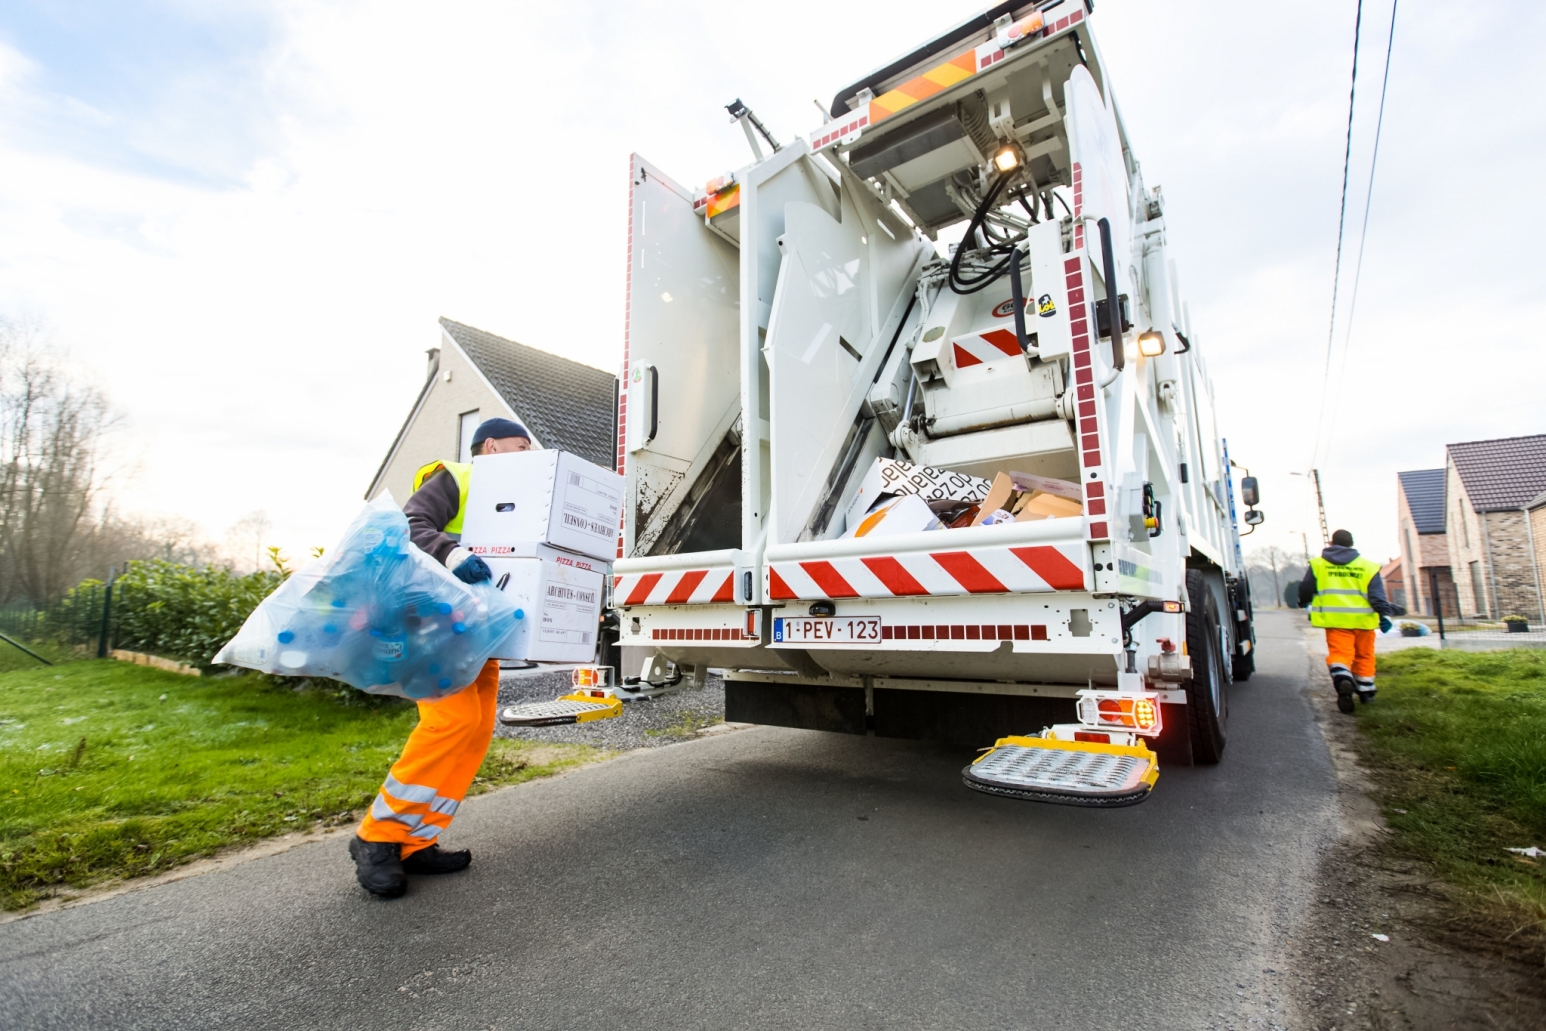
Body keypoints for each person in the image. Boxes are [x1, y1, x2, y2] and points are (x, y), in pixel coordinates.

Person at [349, 417, 533, 898]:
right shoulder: (455, 476)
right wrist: (451, 555)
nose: (528, 455)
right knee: (448, 724)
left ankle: (416, 840)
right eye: (520, 446)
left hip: (475, 630)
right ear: (490, 447)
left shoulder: (520, 498)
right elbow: (411, 524)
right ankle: (377, 837)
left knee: (473, 730)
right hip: (433, 626)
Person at [1297, 529, 1397, 715]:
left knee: (1340, 655)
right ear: (1351, 544)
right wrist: (1385, 614)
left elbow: (1306, 587)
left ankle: (1343, 679)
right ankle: (1367, 694)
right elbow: (1377, 595)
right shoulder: (1368, 566)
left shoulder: (1318, 564)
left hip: (1336, 621)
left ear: (1332, 543)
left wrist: (1304, 602)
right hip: (1364, 621)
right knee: (1364, 656)